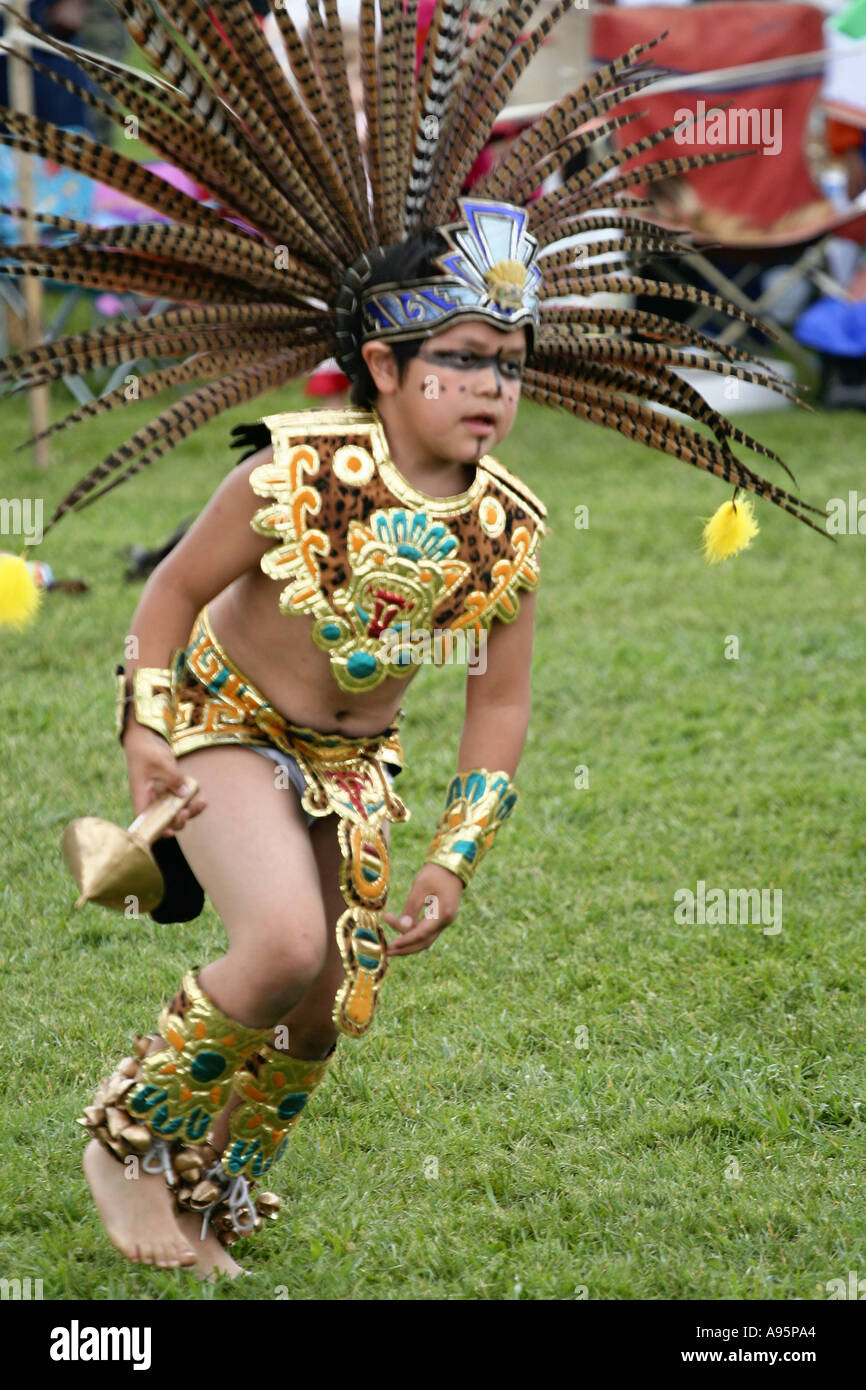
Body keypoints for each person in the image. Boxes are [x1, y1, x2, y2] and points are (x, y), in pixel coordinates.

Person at [0, 2, 828, 1280]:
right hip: (227, 726)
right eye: (459, 357)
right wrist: (144, 739)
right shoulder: (287, 471)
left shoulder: (510, 529)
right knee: (276, 947)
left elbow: (497, 704)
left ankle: (214, 1182)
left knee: (331, 1004)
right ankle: (129, 1141)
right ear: (383, 364)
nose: (492, 384)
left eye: (511, 360)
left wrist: (456, 853)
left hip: (356, 773)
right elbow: (163, 602)